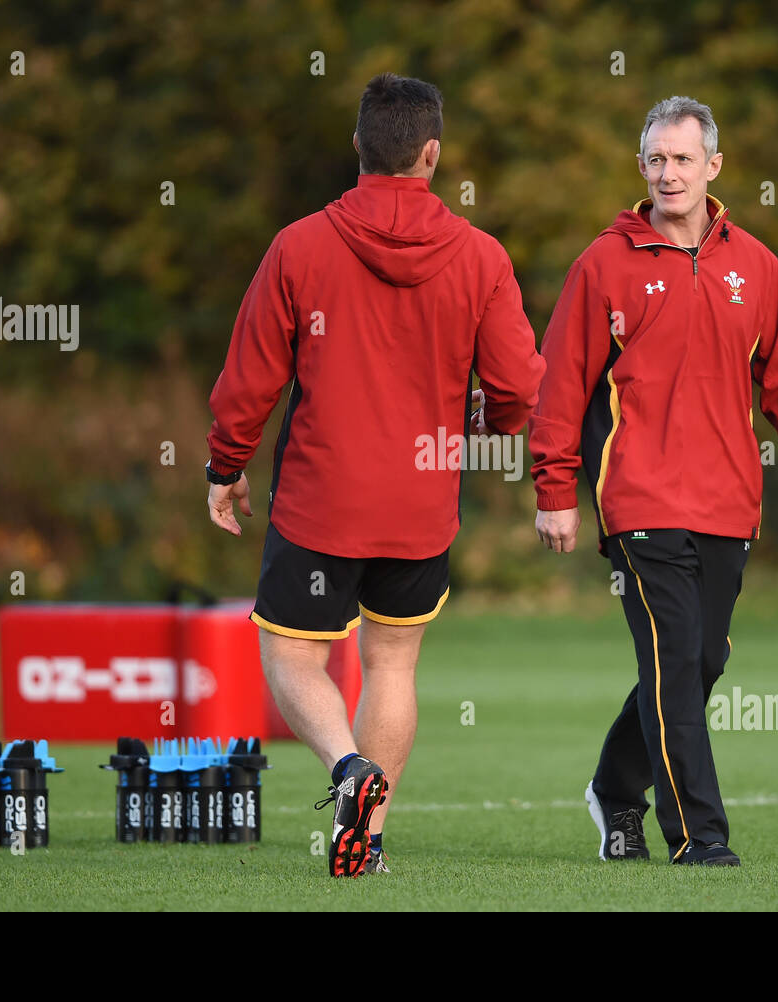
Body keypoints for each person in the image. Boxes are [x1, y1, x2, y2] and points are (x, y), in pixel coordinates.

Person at [205, 73, 544, 877]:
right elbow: (521, 390)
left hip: (322, 499)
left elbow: (250, 381)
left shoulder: (298, 246)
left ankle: (346, 768)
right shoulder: (482, 256)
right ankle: (371, 838)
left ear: (358, 145)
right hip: (421, 504)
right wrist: (490, 424)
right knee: (392, 665)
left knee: (294, 658)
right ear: (433, 153)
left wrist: (227, 465)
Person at [529, 96, 778, 866]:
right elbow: (559, 388)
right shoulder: (602, 264)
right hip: (638, 501)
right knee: (674, 661)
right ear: (641, 167)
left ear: (714, 166)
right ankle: (700, 837)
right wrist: (554, 492)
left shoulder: (757, 266)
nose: (669, 173)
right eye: (656, 159)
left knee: (700, 665)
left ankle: (613, 787)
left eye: (682, 158)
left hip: (730, 503)